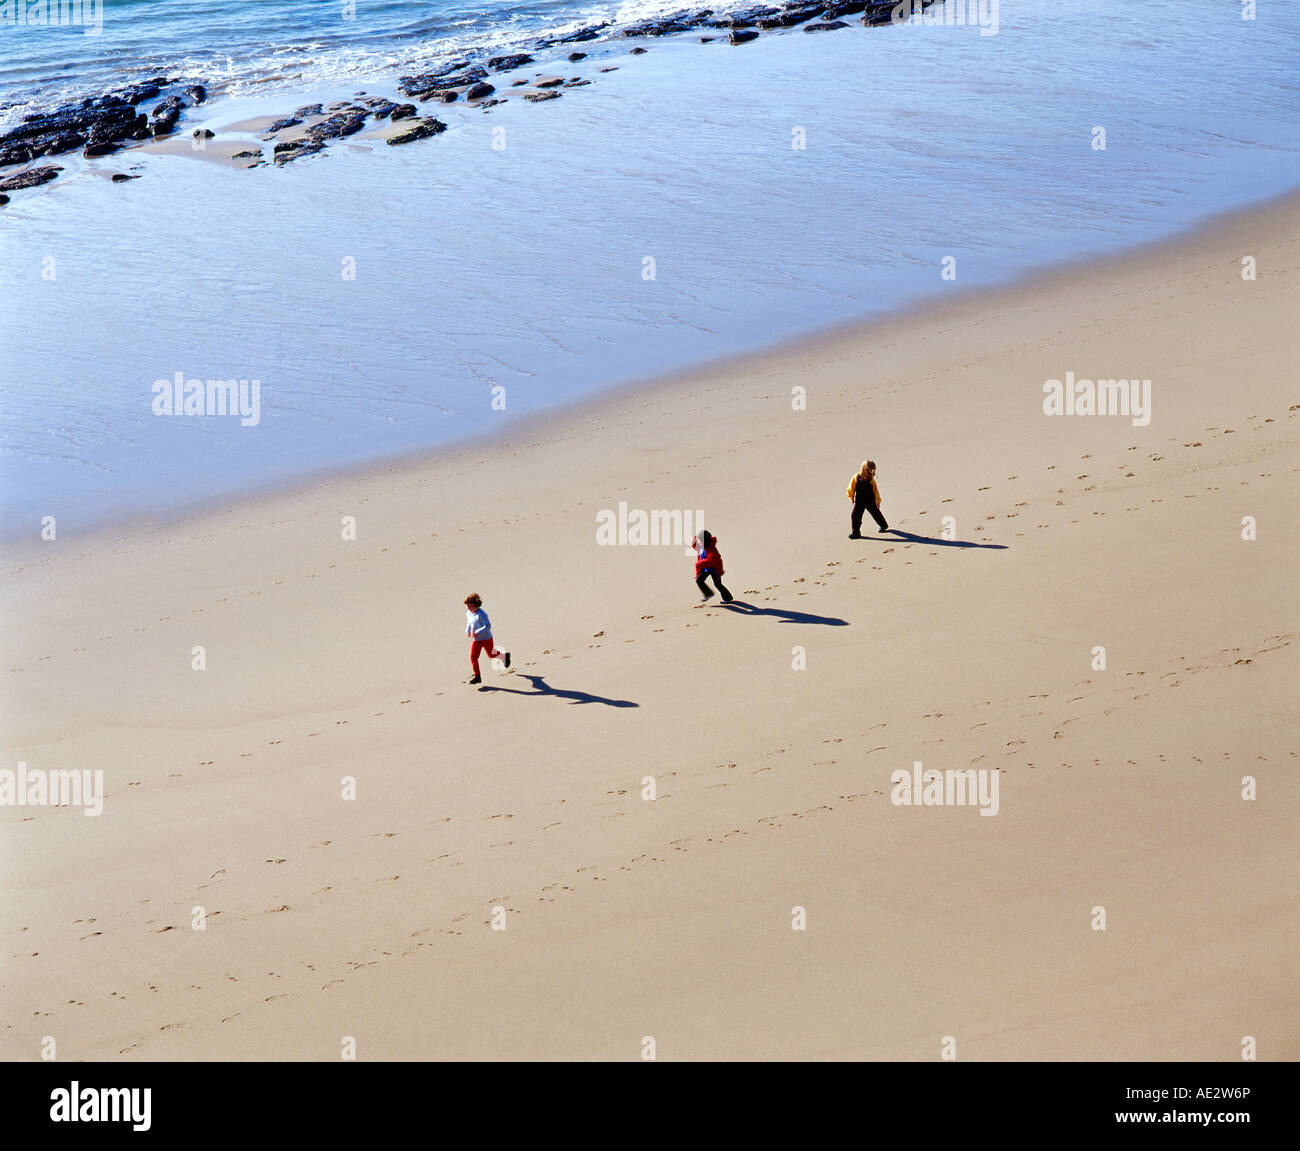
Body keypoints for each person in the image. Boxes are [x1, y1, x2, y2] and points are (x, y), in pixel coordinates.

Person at [464, 593, 510, 684]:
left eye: (470, 606)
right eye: (467, 605)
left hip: (486, 638)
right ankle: (477, 676)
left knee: (490, 654)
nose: (468, 608)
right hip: (477, 640)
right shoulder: (469, 613)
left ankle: (504, 656)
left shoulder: (482, 614)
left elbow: (488, 626)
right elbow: (469, 623)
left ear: (476, 605)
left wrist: (478, 632)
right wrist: (468, 631)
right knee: (473, 657)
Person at [847, 459, 889, 537]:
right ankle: (856, 532)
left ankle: (883, 525)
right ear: (864, 469)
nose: (871, 473)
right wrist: (851, 496)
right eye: (870, 471)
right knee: (855, 515)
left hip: (870, 500)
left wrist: (878, 501)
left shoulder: (871, 480)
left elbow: (875, 491)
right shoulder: (856, 477)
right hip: (859, 501)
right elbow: (851, 488)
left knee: (876, 513)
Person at [692, 530, 733, 602]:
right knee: (699, 580)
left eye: (699, 540)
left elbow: (711, 561)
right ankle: (708, 593)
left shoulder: (712, 549)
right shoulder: (701, 546)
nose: (698, 542)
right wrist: (694, 539)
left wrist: (700, 564)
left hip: (715, 569)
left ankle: (727, 598)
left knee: (718, 584)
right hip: (705, 568)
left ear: (704, 542)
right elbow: (695, 546)